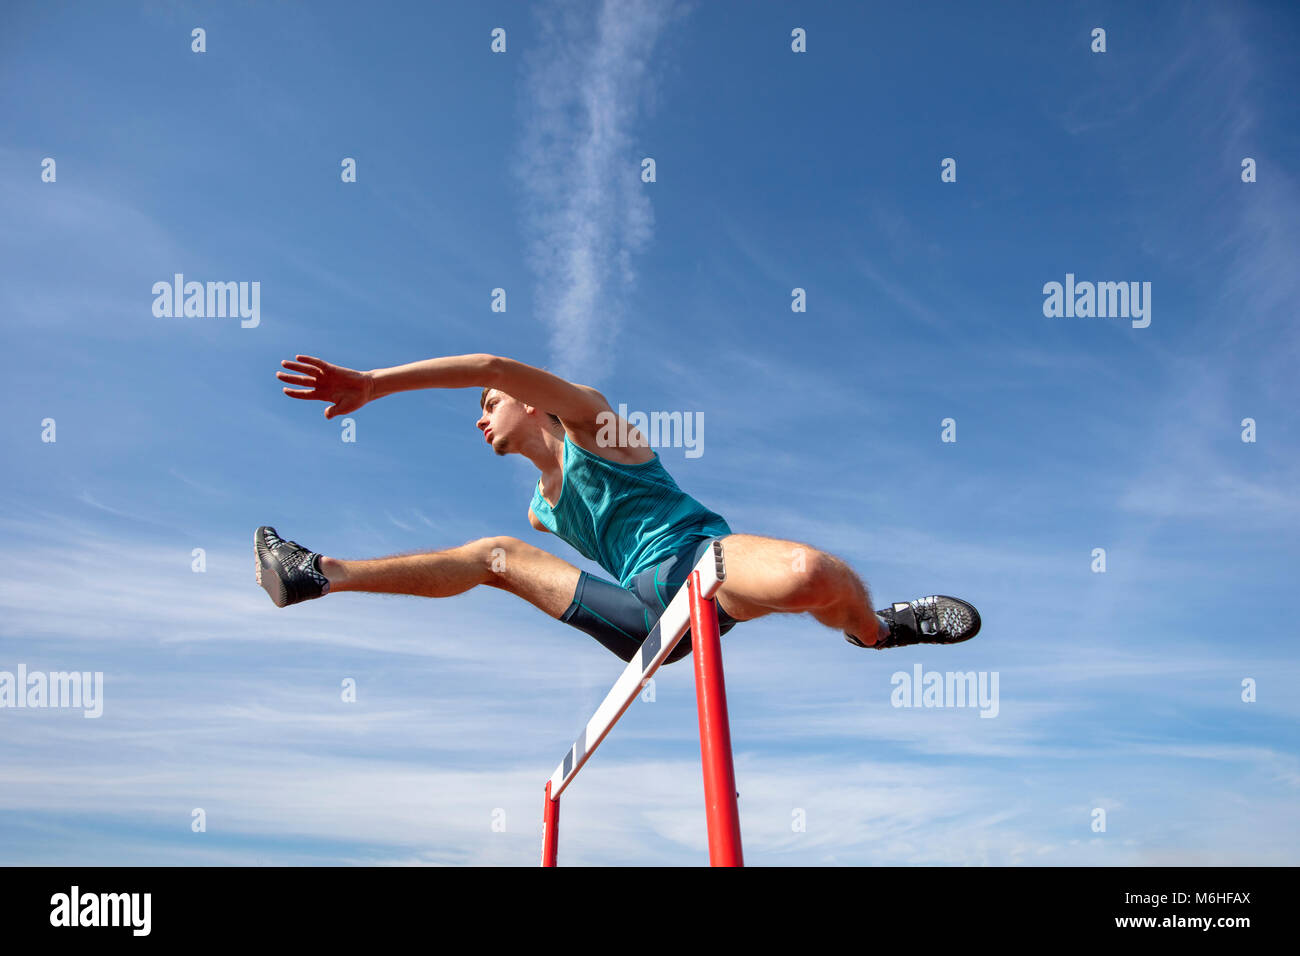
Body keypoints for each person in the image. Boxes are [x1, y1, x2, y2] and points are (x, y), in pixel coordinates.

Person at [255, 352, 981, 664]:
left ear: (534, 404)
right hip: (641, 615)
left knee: (809, 574)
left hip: (704, 567)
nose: (481, 417)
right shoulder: (545, 511)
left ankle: (877, 630)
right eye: (479, 411)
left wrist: (374, 384)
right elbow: (498, 392)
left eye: (491, 408)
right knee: (494, 555)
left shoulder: (595, 427)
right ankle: (317, 573)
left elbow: (492, 366)